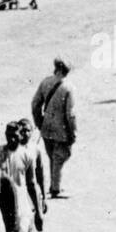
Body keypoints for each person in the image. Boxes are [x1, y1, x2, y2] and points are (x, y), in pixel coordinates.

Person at [0, 121, 44, 232]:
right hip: (3, 205)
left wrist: (39, 211)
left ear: (21, 136)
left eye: (15, 135)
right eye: (8, 134)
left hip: (22, 206)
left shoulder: (27, 155)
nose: (11, 138)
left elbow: (32, 184)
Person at [31, 58, 76, 198]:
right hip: (61, 127)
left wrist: (39, 122)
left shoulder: (45, 82)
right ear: (65, 71)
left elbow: (35, 104)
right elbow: (71, 114)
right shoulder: (68, 88)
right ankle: (56, 187)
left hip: (46, 126)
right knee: (60, 156)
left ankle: (53, 185)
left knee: (52, 156)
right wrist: (73, 132)